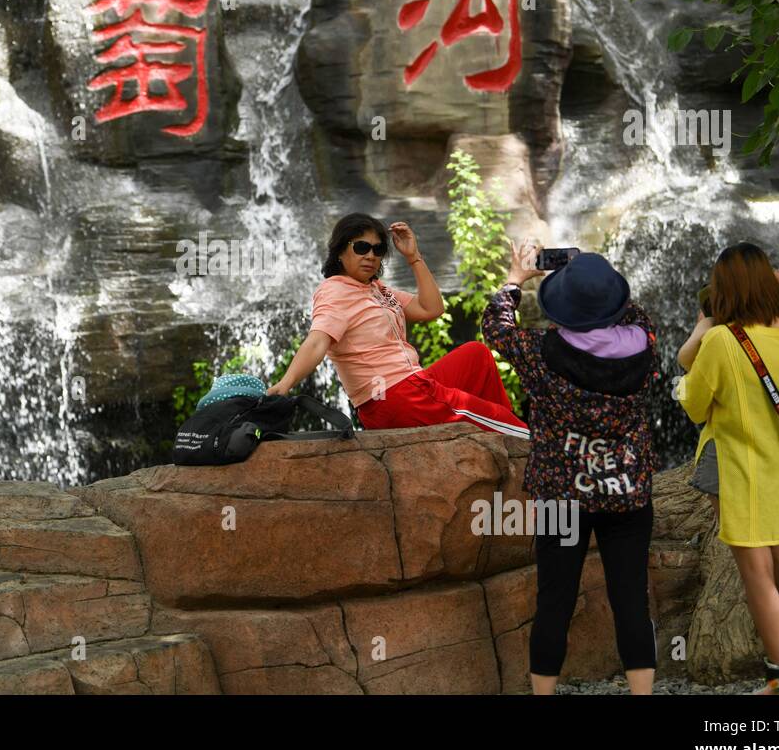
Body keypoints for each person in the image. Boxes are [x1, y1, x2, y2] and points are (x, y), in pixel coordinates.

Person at [482, 239, 662, 695]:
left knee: (554, 602)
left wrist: (516, 279)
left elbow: (496, 328)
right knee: (631, 602)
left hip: (562, 497)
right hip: (626, 494)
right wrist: (592, 282)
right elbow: (632, 313)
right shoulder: (646, 344)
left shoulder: (541, 355)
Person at [675, 242, 779, 694]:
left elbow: (695, 404)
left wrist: (700, 331)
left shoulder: (722, 341)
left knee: (756, 575)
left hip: (744, 478)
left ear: (724, 293)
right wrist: (762, 274)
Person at [266, 213, 528, 439]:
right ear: (340, 251)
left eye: (377, 250)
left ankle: (498, 435)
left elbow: (431, 308)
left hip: (413, 384)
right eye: (361, 247)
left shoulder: (378, 290)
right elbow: (317, 341)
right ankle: (513, 435)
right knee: (515, 430)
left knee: (475, 355)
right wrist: (285, 384)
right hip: (394, 396)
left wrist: (413, 257)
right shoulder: (335, 290)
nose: (370, 255)